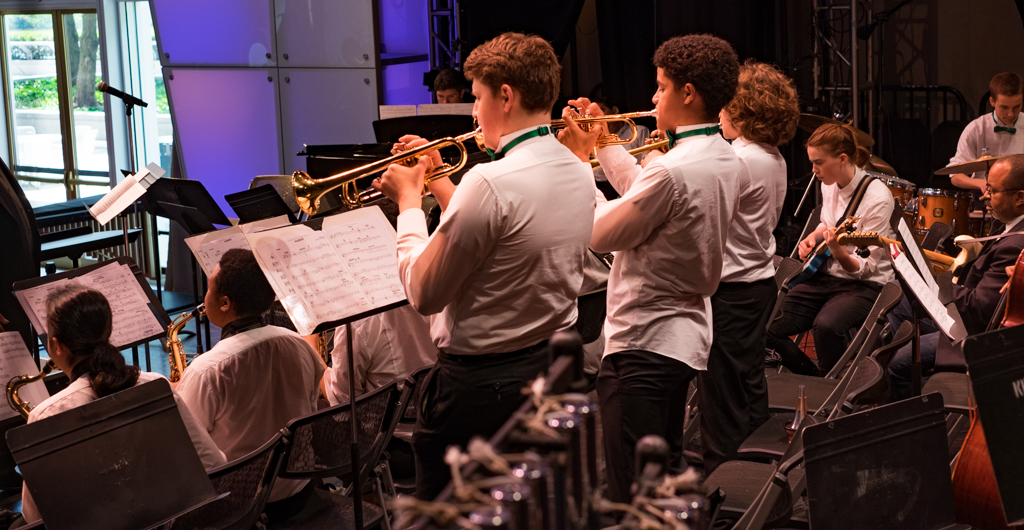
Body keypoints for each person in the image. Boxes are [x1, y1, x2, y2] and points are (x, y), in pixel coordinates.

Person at [373, 32, 595, 500]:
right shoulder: (576, 165)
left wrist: (408, 202)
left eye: (477, 98)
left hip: (478, 392)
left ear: (506, 97)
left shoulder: (488, 180)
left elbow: (423, 294)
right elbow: (498, 231)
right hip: (547, 367)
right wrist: (438, 179)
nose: (474, 113)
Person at [558, 33, 743, 503]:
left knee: (634, 492)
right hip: (681, 336)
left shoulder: (673, 169)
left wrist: (579, 161)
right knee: (663, 476)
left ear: (688, 93)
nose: (653, 98)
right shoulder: (724, 154)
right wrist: (604, 141)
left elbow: (598, 234)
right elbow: (648, 192)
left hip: (644, 342)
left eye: (661, 87)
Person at [21, 284, 226, 524]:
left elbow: (34, 517)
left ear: (56, 346)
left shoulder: (45, 416)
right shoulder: (156, 385)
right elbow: (214, 463)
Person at [697, 60, 801, 474]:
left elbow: (692, 214)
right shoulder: (769, 156)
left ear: (744, 110)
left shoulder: (739, 160)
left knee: (722, 398)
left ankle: (724, 482)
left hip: (732, 292)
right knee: (748, 386)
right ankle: (757, 471)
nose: (719, 113)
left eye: (725, 105)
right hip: (756, 284)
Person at [175, 249, 323, 519]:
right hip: (299, 490)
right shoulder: (298, 343)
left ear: (225, 303)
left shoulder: (206, 370)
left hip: (242, 507)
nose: (204, 298)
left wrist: (180, 394)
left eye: (209, 290)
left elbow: (187, 450)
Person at [888, 155, 1024, 400]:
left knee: (897, 363)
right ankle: (926, 380)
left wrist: (936, 284)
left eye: (992, 191)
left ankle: (929, 403)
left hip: (973, 333)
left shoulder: (1016, 244)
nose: (984, 196)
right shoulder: (1007, 223)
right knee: (899, 297)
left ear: (1020, 197)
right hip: (964, 317)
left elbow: (979, 308)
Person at [765, 124, 896, 376]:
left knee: (826, 327)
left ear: (842, 159)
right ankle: (815, 379)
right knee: (768, 324)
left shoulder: (878, 198)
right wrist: (812, 238)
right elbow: (828, 223)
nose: (813, 170)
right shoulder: (829, 183)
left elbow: (866, 268)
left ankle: (830, 384)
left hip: (864, 284)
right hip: (826, 276)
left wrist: (839, 252)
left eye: (819, 163)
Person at [322, 303, 437, 406]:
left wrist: (315, 357)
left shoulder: (355, 323)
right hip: (433, 406)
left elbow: (343, 402)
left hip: (384, 420)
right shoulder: (436, 296)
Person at [949, 72, 1024, 192]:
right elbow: (955, 176)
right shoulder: (976, 128)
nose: (1011, 114)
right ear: (992, 101)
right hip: (984, 197)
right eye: (1004, 107)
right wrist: (980, 183)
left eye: (1017, 106)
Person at [591, 96, 651, 199]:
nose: (599, 117)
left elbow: (645, 165)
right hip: (601, 185)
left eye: (602, 110)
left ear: (615, 110)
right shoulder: (595, 135)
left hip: (633, 184)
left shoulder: (639, 131)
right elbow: (598, 174)